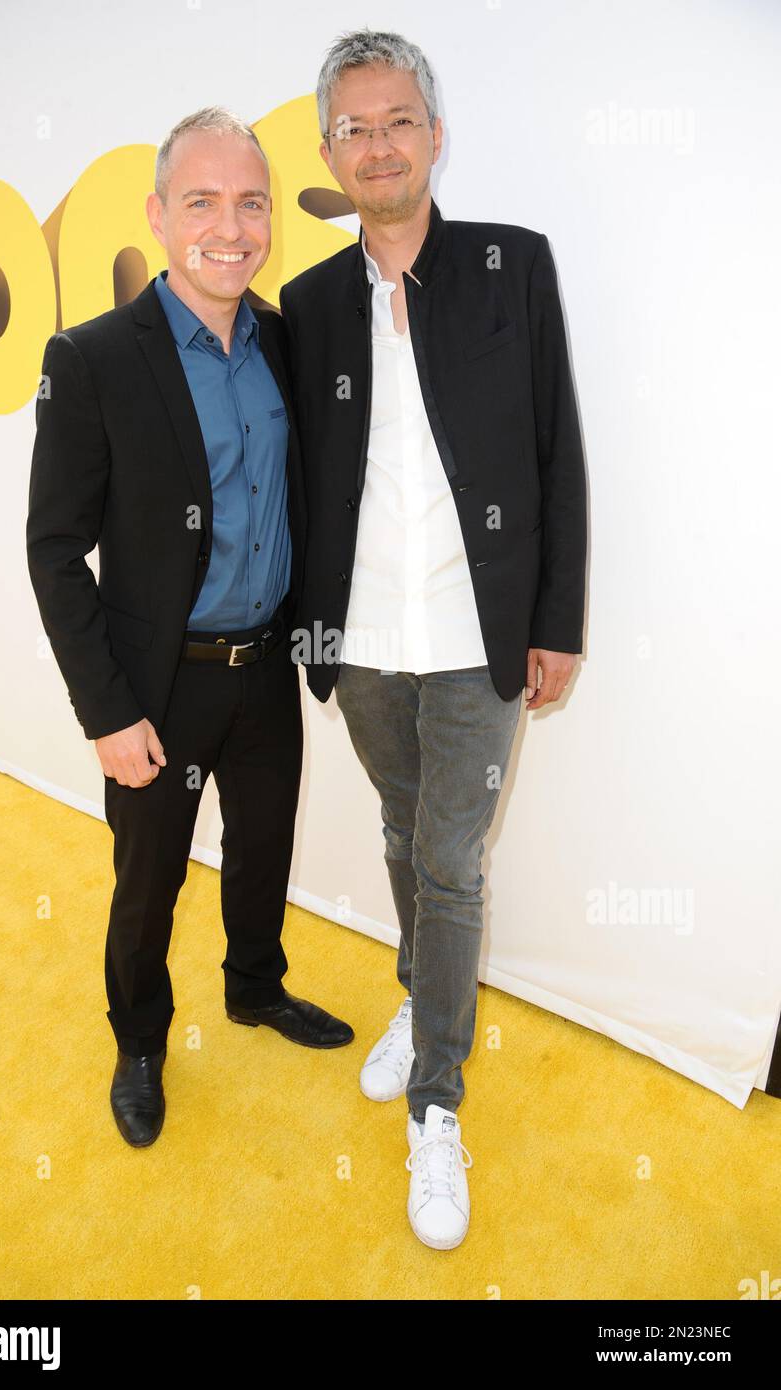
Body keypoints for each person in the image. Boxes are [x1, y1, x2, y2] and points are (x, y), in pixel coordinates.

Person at [280, 30, 587, 1249]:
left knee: (451, 861)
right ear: (328, 153)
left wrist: (553, 621)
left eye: (396, 118)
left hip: (476, 634)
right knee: (405, 828)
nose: (377, 142)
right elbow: (302, 472)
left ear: (434, 131)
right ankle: (418, 992)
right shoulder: (305, 303)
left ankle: (434, 1103)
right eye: (353, 127)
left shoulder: (512, 266)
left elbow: (555, 447)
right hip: (359, 636)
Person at [26, 107, 353, 1150]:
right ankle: (139, 1042)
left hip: (265, 668)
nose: (231, 224)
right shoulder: (92, 360)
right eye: (202, 201)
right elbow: (51, 548)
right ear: (160, 217)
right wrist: (108, 711)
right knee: (148, 882)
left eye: (250, 202)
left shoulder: (286, 342)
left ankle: (255, 987)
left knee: (263, 851)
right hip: (155, 685)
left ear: (270, 218)